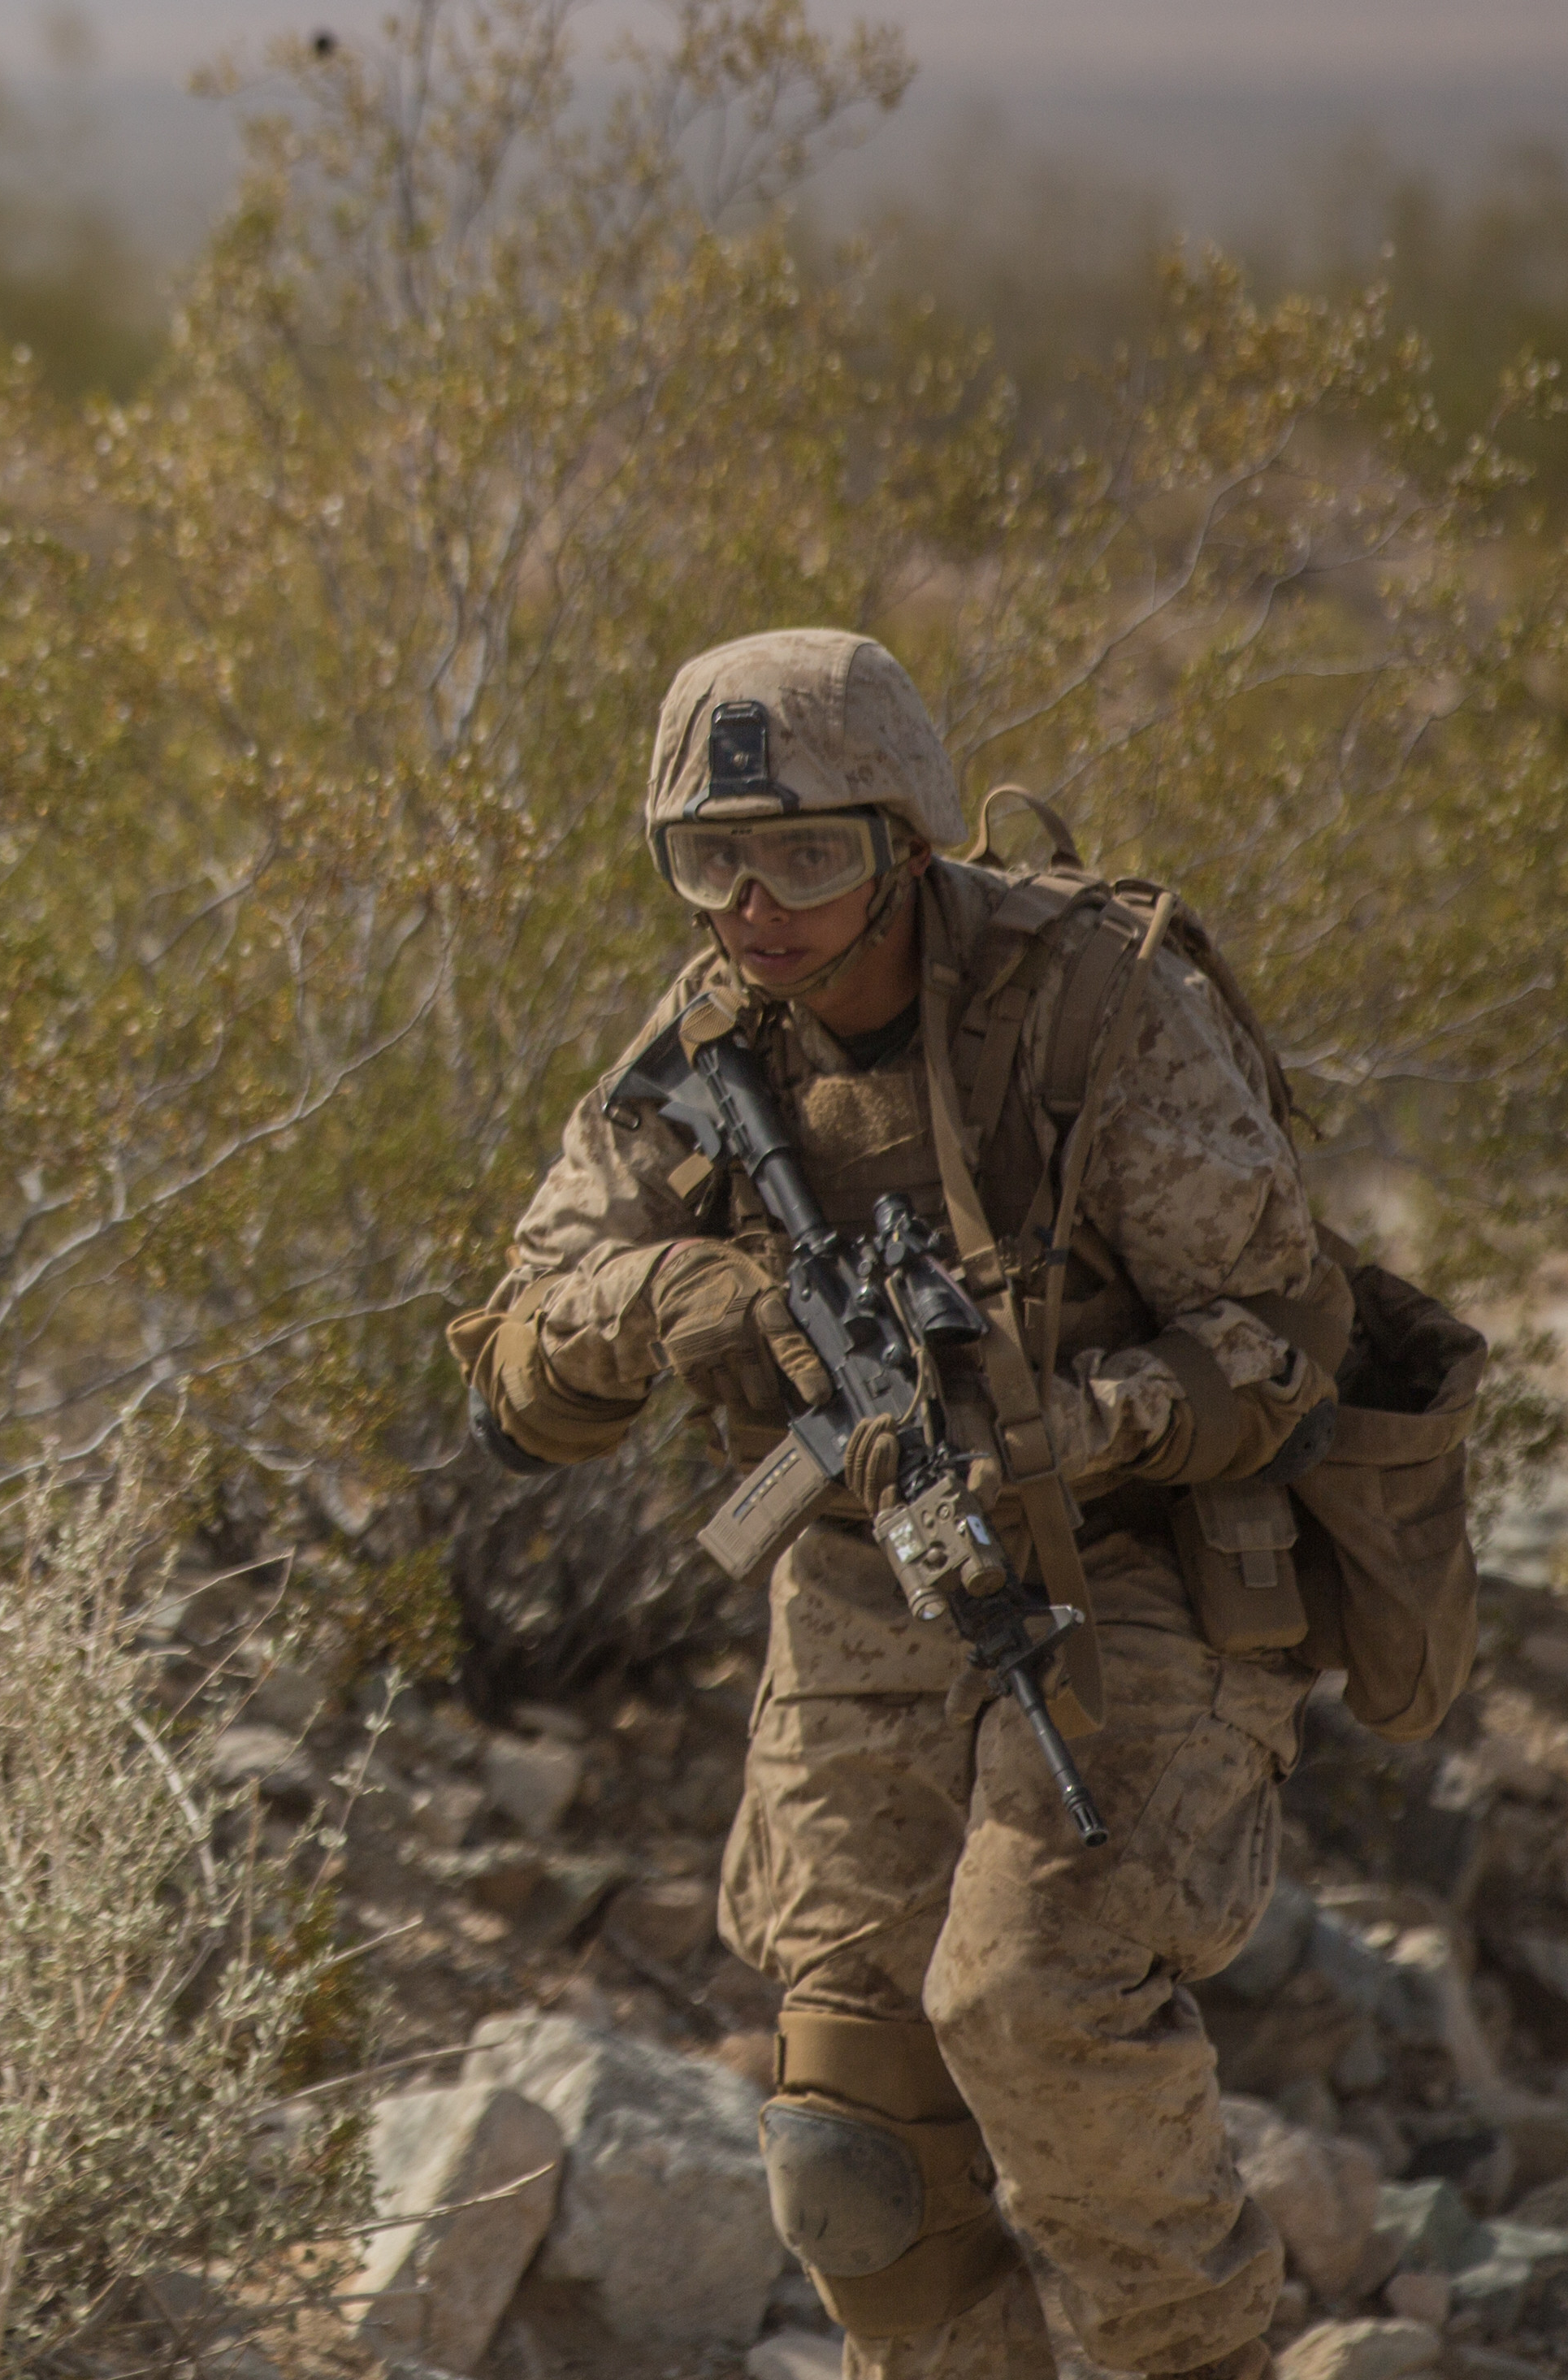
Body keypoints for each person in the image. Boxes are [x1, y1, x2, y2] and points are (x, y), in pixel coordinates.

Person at [450, 630, 1351, 2380]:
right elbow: (509, 1367)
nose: (756, 906)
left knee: (1031, 1998)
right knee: (848, 2148)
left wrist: (1087, 1422)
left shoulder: (1099, 1002)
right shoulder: (705, 1049)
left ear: (910, 845)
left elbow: (1289, 1336)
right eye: (709, 861)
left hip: (1138, 1564)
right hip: (868, 1573)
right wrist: (669, 1302)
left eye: (807, 856)